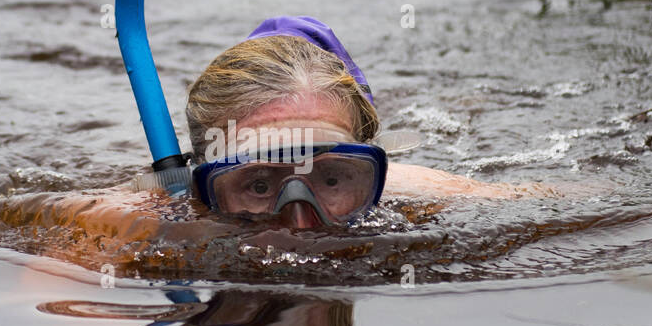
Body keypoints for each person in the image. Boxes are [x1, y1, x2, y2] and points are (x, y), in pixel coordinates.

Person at [177, 15, 554, 229]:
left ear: (372, 171)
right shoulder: (169, 204)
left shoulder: (414, 190)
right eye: (259, 184)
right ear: (202, 189)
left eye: (331, 178)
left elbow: (590, 197)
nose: (300, 223)